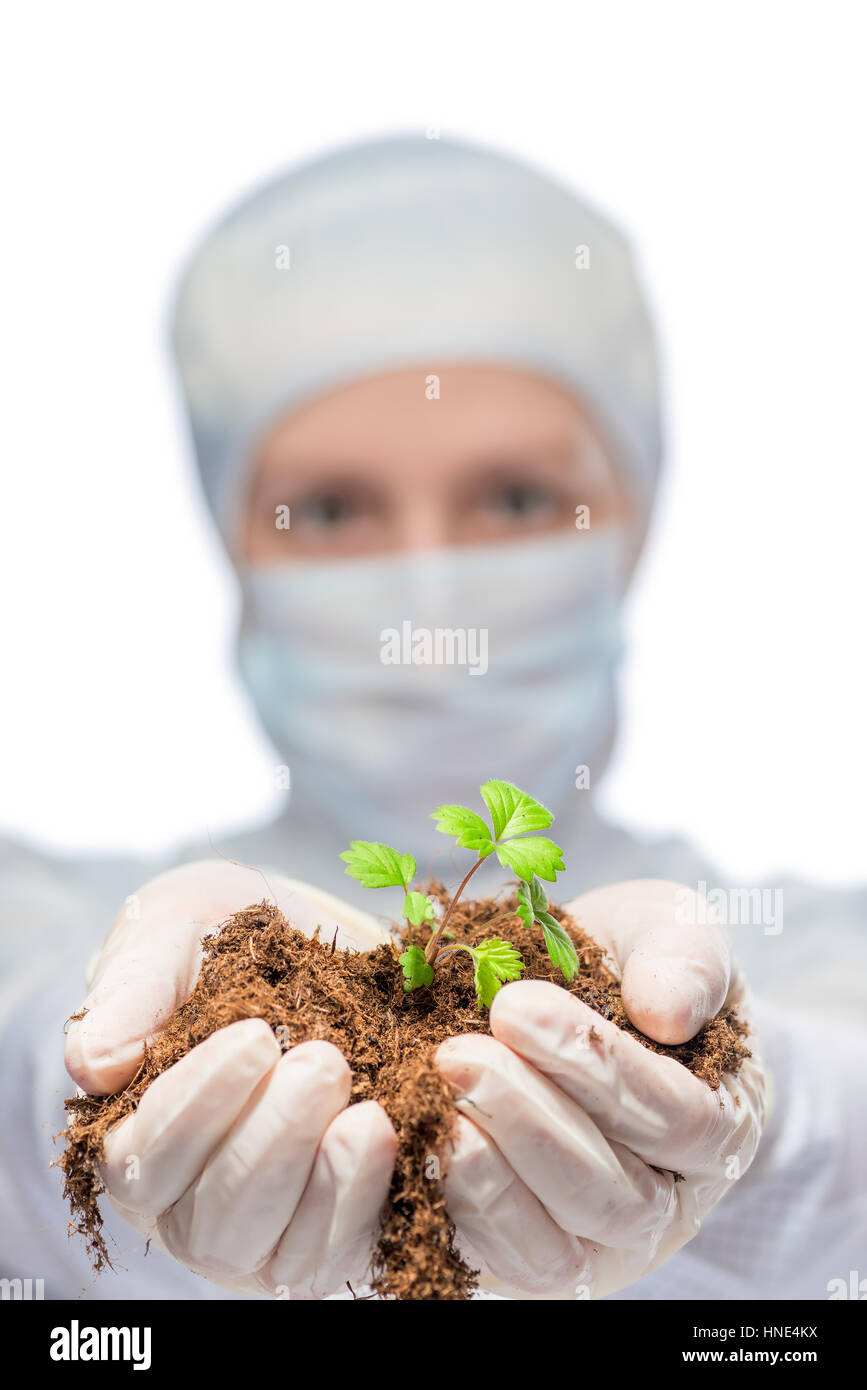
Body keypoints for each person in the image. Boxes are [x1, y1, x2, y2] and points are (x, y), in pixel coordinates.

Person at [1, 134, 865, 1302]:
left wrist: (743, 1109)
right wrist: (100, 1053)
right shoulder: (49, 911)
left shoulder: (816, 953)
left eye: (515, 498)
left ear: (635, 515)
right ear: (229, 538)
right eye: (333, 508)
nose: (431, 597)